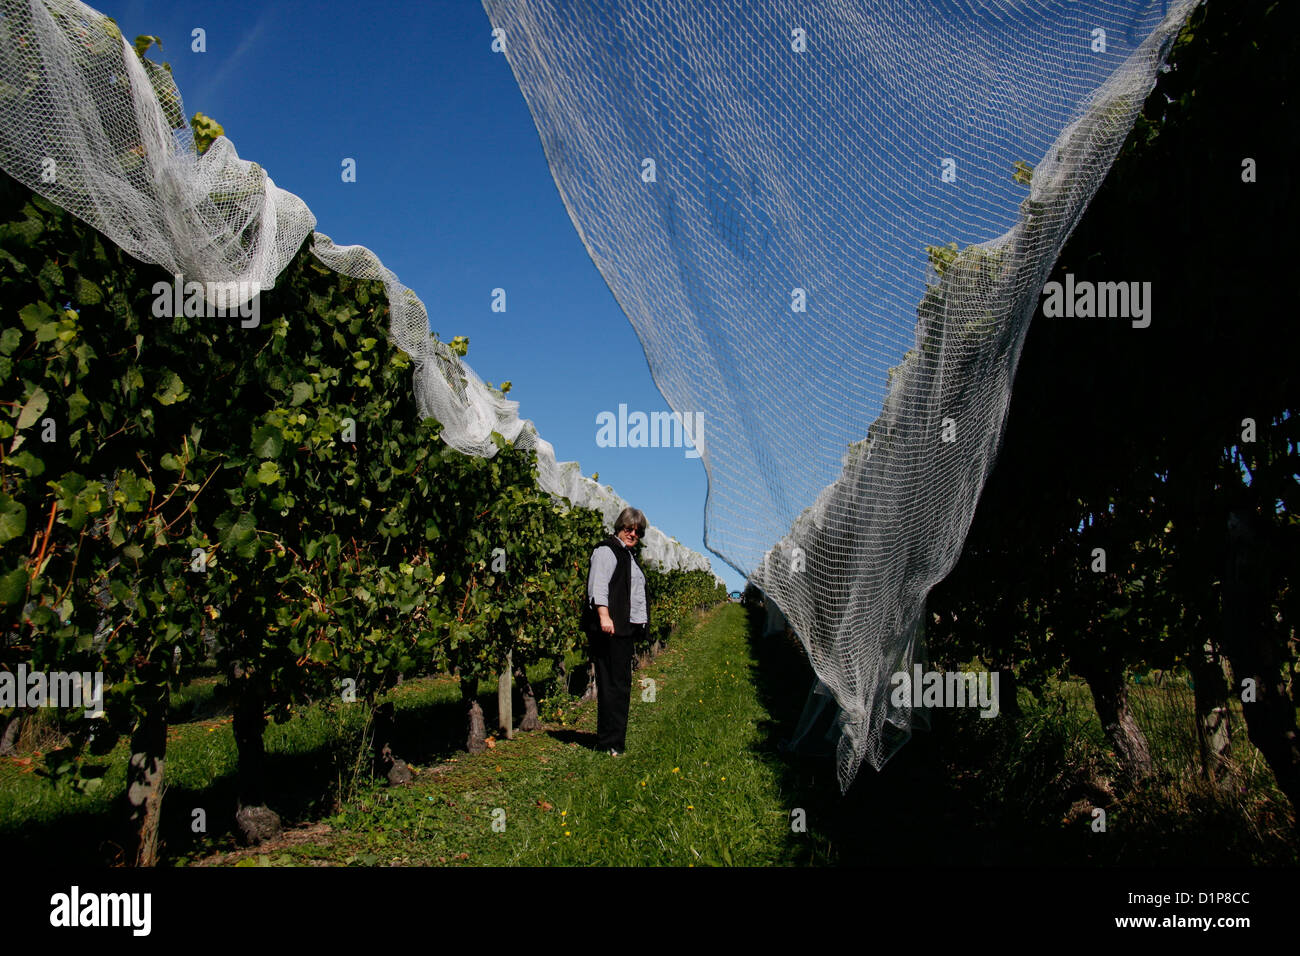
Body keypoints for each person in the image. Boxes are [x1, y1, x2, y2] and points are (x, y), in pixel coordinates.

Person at [582, 507, 649, 756]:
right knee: (612, 685)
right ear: (619, 527)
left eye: (637, 531)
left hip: (623, 630)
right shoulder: (606, 551)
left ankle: (615, 741)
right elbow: (597, 586)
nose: (632, 533)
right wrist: (604, 616)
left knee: (620, 685)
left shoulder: (627, 554)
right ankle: (609, 742)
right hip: (610, 628)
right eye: (628, 528)